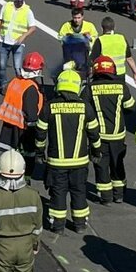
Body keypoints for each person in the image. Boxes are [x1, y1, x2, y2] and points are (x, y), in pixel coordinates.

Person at [42, 66, 100, 235]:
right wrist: (96, 152)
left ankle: (58, 225)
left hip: (56, 162)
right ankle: (80, 224)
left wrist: (39, 153)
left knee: (58, 191)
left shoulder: (49, 107)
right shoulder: (85, 107)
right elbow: (94, 134)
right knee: (79, 191)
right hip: (80, 162)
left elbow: (40, 133)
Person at [88, 56, 131, 202]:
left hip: (99, 136)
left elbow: (84, 108)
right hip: (118, 136)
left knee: (101, 165)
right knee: (117, 164)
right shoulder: (121, 86)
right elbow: (131, 107)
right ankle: (119, 194)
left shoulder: (90, 88)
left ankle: (105, 196)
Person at [0, 52, 46, 167]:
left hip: (9, 126)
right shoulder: (31, 88)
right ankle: (24, 179)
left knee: (9, 157)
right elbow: (30, 113)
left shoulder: (15, 81)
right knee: (27, 156)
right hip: (23, 129)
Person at [0, 0, 35, 83]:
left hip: (18, 45)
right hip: (4, 42)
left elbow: (33, 27)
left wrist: (23, 36)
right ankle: (3, 84)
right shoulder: (7, 6)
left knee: (17, 68)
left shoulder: (27, 11)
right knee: (2, 65)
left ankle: (19, 85)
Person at [96, 14, 136, 88]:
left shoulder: (100, 40)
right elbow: (129, 58)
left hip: (105, 74)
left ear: (102, 28)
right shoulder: (122, 38)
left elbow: (93, 60)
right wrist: (135, 73)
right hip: (120, 75)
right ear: (114, 27)